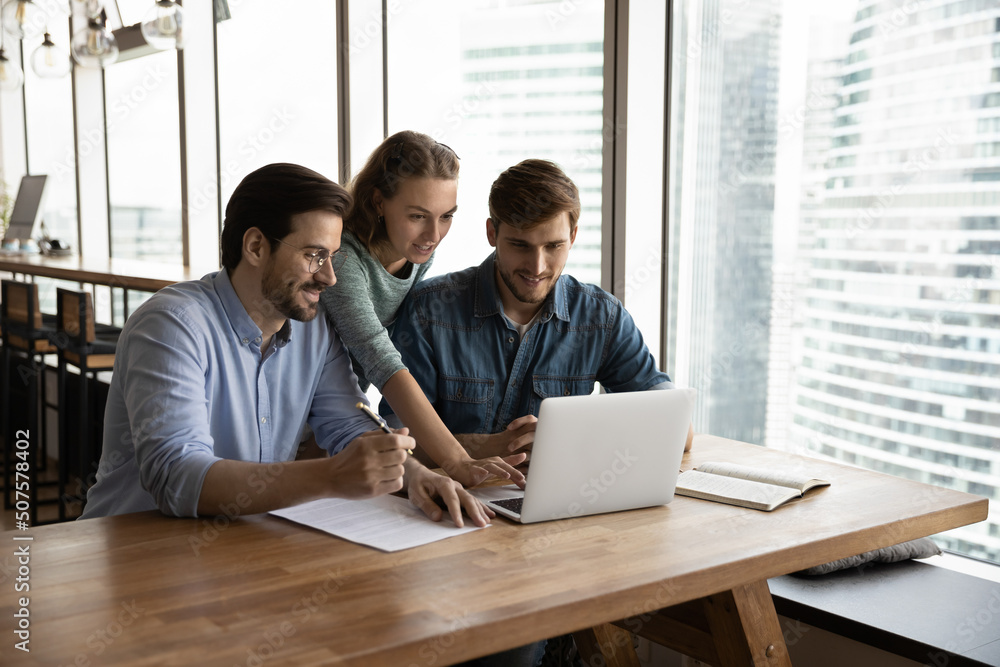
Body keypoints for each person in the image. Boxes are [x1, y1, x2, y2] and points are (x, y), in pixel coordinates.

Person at [80, 163, 488, 527]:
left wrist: (415, 475)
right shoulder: (171, 325)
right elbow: (177, 478)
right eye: (314, 255)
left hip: (240, 552)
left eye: (332, 257)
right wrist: (329, 475)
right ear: (256, 246)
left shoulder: (313, 330)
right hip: (133, 559)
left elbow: (348, 425)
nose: (329, 277)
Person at [384, 158, 694, 464]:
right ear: (492, 233)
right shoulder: (430, 310)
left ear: (572, 237)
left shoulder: (602, 317)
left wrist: (572, 436)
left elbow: (682, 432)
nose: (537, 266)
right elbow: (398, 442)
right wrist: (492, 447)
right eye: (520, 245)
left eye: (553, 246)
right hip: (456, 505)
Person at [320, 131, 524, 487]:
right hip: (304, 416)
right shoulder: (345, 259)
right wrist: (457, 459)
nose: (433, 234)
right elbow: (381, 359)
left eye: (447, 216)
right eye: (418, 216)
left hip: (339, 418)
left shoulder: (416, 253)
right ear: (378, 202)